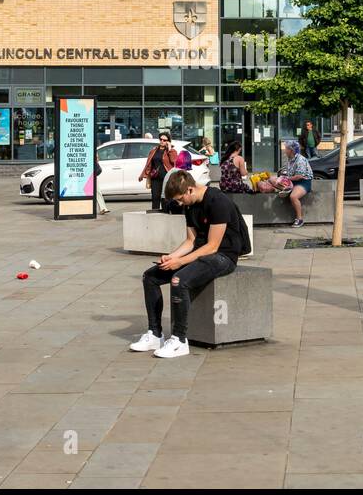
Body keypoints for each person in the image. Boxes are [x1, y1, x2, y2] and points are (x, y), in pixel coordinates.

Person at [130, 170, 250, 359]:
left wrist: (180, 262)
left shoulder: (218, 202)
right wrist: (171, 257)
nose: (179, 204)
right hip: (202, 253)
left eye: (179, 199)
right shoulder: (189, 205)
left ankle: (179, 340)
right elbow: (190, 241)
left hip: (224, 256)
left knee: (179, 280)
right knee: (150, 277)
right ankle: (155, 334)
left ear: (190, 190)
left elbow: (212, 246)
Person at [277, 139, 314, 228]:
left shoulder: (300, 160)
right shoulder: (290, 159)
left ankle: (299, 219)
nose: (284, 150)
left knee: (293, 196)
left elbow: (299, 176)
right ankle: (286, 189)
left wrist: (286, 179)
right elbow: (290, 172)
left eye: (286, 148)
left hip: (303, 182)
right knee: (273, 180)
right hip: (293, 181)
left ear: (291, 150)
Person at [138, 132, 175, 211]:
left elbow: (174, 161)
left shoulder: (172, 151)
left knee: (165, 197)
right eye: (161, 139)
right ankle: (155, 215)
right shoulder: (154, 150)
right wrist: (142, 175)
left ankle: (166, 213)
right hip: (155, 178)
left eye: (164, 140)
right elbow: (148, 164)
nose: (162, 141)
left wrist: (169, 149)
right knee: (155, 197)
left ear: (168, 141)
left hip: (166, 178)